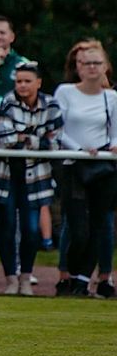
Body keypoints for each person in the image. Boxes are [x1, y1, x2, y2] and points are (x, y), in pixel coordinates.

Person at [0, 62, 61, 296]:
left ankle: (25, 278)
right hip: (8, 175)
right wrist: (35, 139)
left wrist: (25, 138)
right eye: (18, 81)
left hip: (37, 177)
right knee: (7, 227)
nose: (22, 85)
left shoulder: (50, 104)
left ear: (38, 83)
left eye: (27, 81)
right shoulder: (8, 102)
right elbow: (7, 138)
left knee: (32, 230)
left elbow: (54, 142)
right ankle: (11, 279)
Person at [53, 40, 117, 298]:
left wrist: (111, 147)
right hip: (73, 165)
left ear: (104, 66)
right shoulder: (65, 92)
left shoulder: (111, 97)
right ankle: (69, 273)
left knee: (100, 224)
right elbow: (58, 128)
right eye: (87, 63)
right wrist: (78, 149)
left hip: (102, 167)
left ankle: (82, 280)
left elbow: (114, 131)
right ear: (78, 67)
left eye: (97, 63)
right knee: (78, 226)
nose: (92, 68)